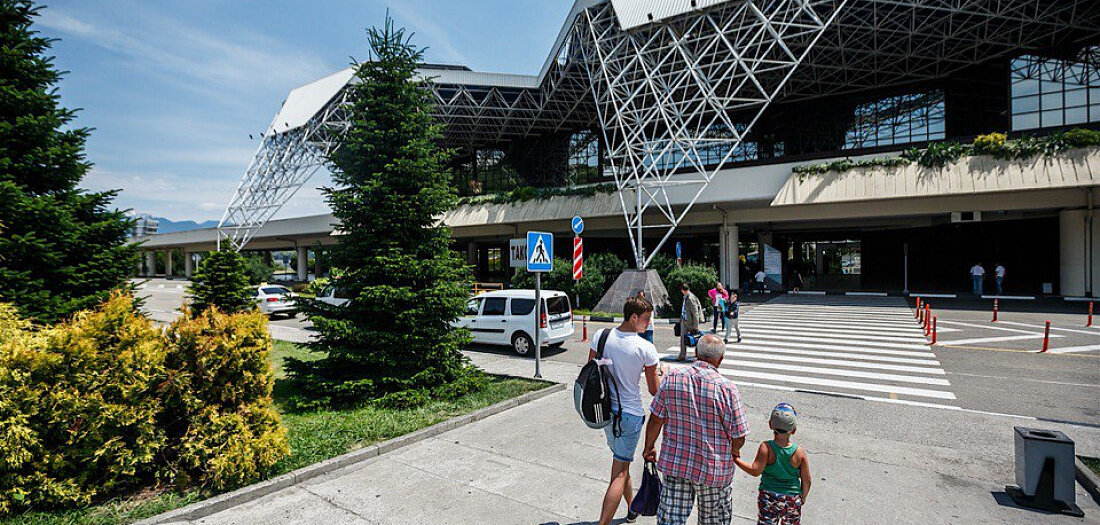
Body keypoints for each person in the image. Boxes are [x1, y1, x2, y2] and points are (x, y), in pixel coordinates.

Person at [643, 335, 748, 525]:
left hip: (677, 465)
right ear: (721, 359)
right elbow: (739, 437)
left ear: (696, 353)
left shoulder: (672, 378)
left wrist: (648, 447)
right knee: (713, 521)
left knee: (671, 520)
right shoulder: (728, 389)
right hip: (714, 472)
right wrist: (733, 451)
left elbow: (656, 419)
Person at [589, 296, 667, 525]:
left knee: (621, 462)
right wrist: (664, 372)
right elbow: (655, 390)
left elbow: (591, 372)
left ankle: (632, 509)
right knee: (619, 473)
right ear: (634, 318)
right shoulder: (645, 348)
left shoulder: (601, 336)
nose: (648, 324)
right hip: (629, 416)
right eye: (646, 319)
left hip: (605, 413)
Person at [734, 403, 812, 525]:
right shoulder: (799, 452)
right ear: (794, 430)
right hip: (792, 498)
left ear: (770, 425)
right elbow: (807, 480)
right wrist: (803, 496)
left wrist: (736, 460)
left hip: (769, 497)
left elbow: (755, 470)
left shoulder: (766, 448)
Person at [675, 282, 704, 362]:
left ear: (683, 290)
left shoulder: (691, 298)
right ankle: (682, 355)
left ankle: (699, 354)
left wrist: (696, 325)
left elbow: (695, 313)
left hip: (690, 322)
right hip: (685, 320)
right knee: (683, 338)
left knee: (695, 338)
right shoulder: (686, 297)